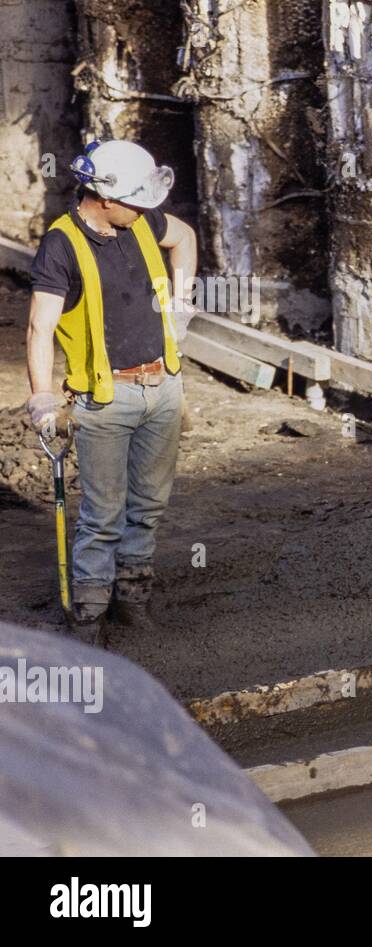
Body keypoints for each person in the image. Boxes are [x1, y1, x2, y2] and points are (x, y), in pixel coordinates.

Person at [25, 140, 198, 645]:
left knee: (148, 505)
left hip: (163, 387)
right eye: (136, 201)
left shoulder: (141, 221)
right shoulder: (61, 245)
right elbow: (39, 328)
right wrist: (41, 399)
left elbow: (183, 238)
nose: (148, 210)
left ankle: (133, 599)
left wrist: (179, 303)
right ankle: (88, 616)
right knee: (103, 515)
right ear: (102, 197)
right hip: (104, 399)